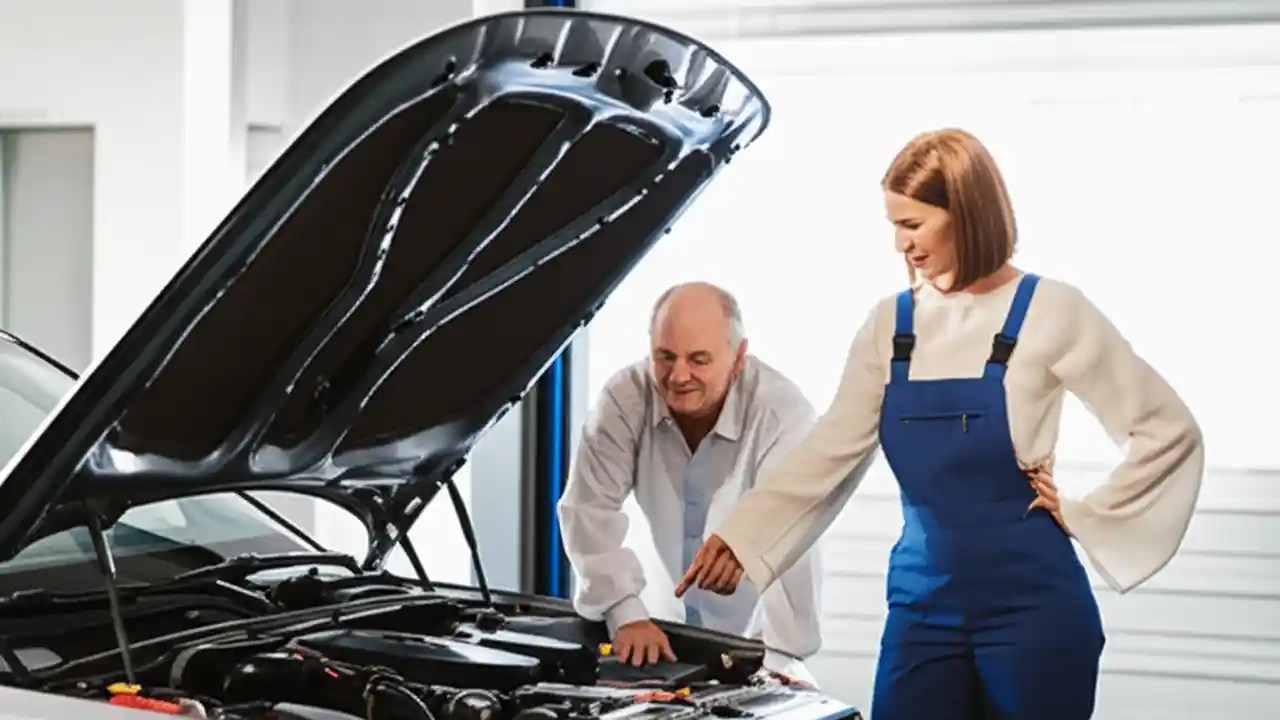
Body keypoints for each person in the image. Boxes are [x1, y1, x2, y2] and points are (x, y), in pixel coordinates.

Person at [676, 129, 1205, 719]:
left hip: (1033, 609)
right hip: (921, 607)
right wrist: (744, 535)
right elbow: (830, 450)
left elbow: (1167, 430)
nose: (901, 244)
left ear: (967, 214)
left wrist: (1084, 513)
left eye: (913, 224)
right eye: (894, 225)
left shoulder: (1052, 311)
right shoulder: (891, 324)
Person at [558, 281, 845, 683]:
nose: (679, 375)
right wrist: (625, 612)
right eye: (665, 356)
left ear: (739, 356)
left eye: (699, 360)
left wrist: (782, 654)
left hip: (757, 640)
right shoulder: (624, 399)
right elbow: (588, 507)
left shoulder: (783, 415)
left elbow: (791, 528)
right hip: (653, 627)